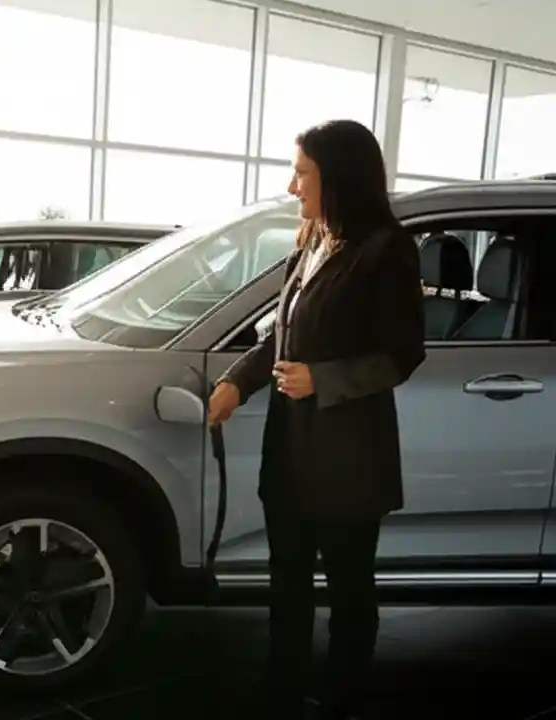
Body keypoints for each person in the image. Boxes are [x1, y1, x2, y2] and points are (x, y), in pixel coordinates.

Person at [207, 119, 425, 719]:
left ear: (340, 176)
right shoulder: (312, 238)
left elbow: (402, 354)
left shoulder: (386, 249)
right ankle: (284, 687)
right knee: (288, 580)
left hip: (351, 458)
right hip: (293, 450)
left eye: (302, 172)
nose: (291, 184)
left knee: (350, 590)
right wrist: (237, 382)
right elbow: (283, 333)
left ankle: (344, 697)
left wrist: (323, 380)